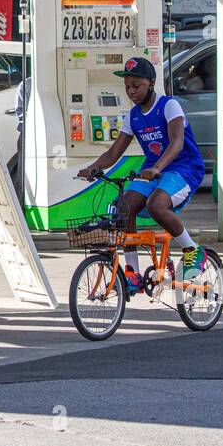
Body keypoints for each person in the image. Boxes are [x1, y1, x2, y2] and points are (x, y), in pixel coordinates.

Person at [76, 56, 208, 281]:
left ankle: (192, 251)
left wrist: (157, 167)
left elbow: (177, 143)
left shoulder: (168, 105)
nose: (131, 91)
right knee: (124, 206)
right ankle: (133, 272)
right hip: (153, 170)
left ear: (151, 83)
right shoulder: (133, 116)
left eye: (136, 85)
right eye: (127, 87)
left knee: (156, 205)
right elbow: (113, 153)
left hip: (184, 168)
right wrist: (92, 168)